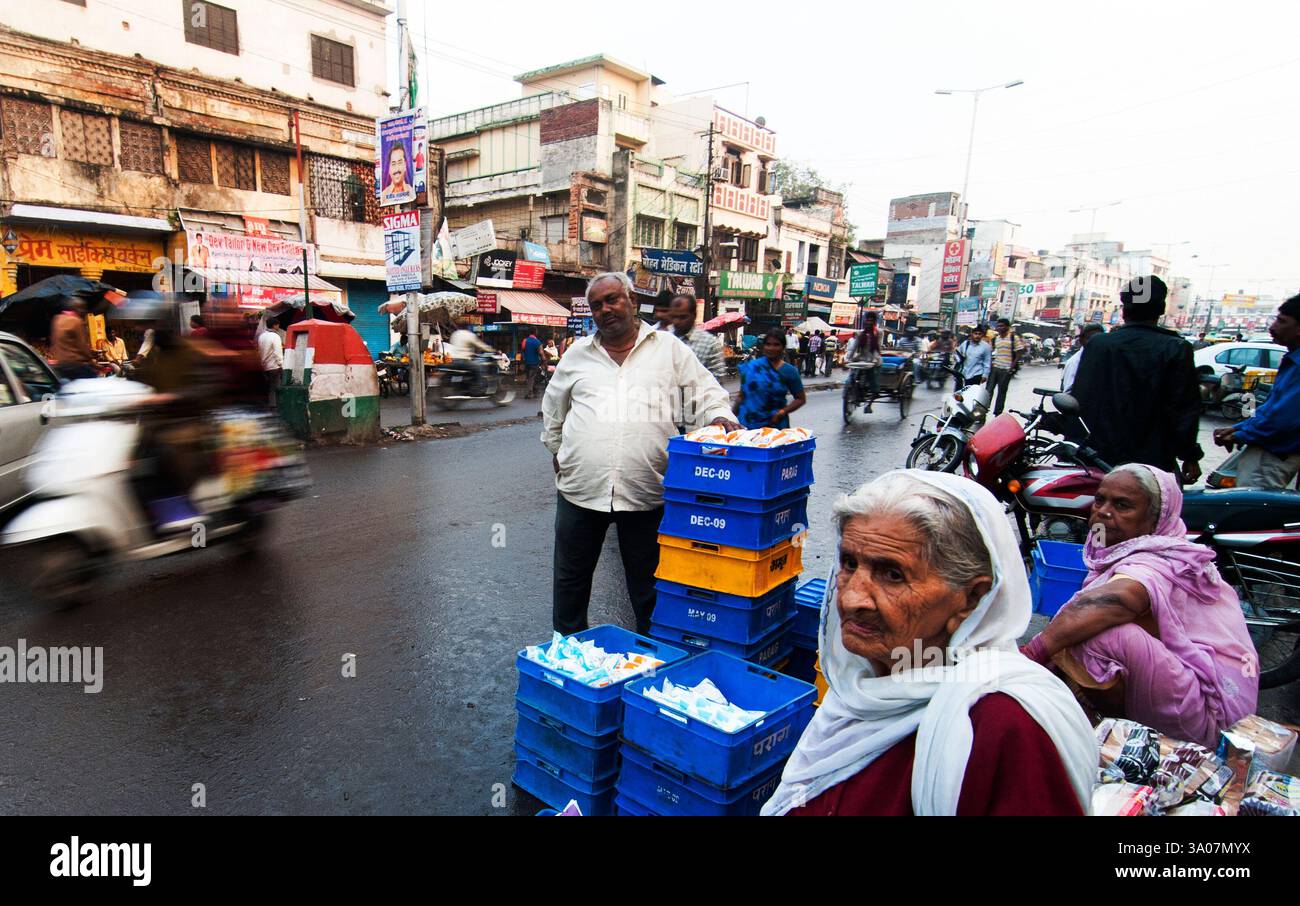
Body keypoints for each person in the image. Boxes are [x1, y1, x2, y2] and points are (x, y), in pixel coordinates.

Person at [763, 470, 1096, 816]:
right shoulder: (862, 687)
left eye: (893, 574)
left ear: (971, 598)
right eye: (849, 563)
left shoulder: (1002, 728)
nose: (851, 599)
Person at [541, 273, 741, 636]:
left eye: (613, 299)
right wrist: (557, 448)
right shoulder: (577, 355)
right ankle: (567, 655)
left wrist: (720, 417)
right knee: (570, 580)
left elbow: (704, 392)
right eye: (597, 304)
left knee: (648, 585)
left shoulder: (668, 348)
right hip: (581, 489)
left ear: (632, 300)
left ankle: (650, 656)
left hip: (647, 490)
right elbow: (554, 408)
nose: (606, 309)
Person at [1021, 465, 1257, 749]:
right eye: (1100, 500)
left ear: (1156, 518)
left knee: (1097, 634)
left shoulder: (1159, 562)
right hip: (1190, 690)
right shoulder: (1136, 547)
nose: (1103, 512)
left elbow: (1118, 599)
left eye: (1123, 505)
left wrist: (1032, 654)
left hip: (1212, 716)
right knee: (1077, 628)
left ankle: (1122, 736)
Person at [1071, 276, 1203, 481]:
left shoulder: (1099, 345)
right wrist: (1190, 456)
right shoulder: (1176, 348)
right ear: (1161, 309)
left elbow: (1080, 400)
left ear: (1124, 310)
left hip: (1099, 459)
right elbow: (1183, 410)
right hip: (1151, 465)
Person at [1212, 295, 1300, 489]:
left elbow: (1283, 419)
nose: (1273, 326)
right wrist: (1239, 428)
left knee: (1254, 512)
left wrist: (1241, 434)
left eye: (1282, 321)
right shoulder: (1292, 361)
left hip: (1274, 454)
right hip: (1270, 449)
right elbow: (1271, 409)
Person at [735, 327, 806, 429]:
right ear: (763, 346)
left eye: (776, 345)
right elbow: (741, 396)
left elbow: (800, 399)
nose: (771, 348)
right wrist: (731, 418)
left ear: (783, 347)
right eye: (768, 344)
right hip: (747, 424)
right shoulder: (752, 367)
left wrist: (782, 412)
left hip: (775, 425)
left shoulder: (789, 371)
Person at [667, 294, 725, 380]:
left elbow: (716, 382)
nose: (677, 321)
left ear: (694, 315)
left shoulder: (710, 344)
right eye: (674, 317)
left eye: (683, 317)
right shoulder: (664, 338)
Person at [49, 296, 98, 381]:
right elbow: (82, 346)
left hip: (61, 365)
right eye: (81, 308)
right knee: (95, 380)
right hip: (75, 365)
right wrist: (92, 361)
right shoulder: (76, 321)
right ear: (74, 308)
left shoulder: (57, 319)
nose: (84, 311)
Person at [844, 312, 883, 411]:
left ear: (874, 322)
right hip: (861, 359)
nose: (869, 323)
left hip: (874, 360)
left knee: (872, 381)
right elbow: (853, 348)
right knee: (852, 376)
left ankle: (869, 404)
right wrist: (848, 359)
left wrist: (873, 360)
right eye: (867, 320)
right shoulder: (860, 333)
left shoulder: (879, 333)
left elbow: (877, 348)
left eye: (871, 321)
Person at [987, 317, 1025, 416]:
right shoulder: (996, 338)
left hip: (1006, 369)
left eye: (1001, 326)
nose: (999, 328)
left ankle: (998, 413)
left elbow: (1019, 353)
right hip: (995, 368)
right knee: (988, 391)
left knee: (1001, 392)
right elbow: (991, 352)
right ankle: (984, 410)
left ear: (1007, 327)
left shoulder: (1013, 338)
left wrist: (1012, 367)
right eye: (998, 326)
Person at [447, 320, 493, 393]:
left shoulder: (454, 334)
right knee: (479, 368)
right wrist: (491, 349)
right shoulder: (469, 335)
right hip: (463, 361)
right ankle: (478, 387)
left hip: (453, 360)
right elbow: (479, 345)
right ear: (467, 327)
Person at [1060, 322, 1104, 392]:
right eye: (1090, 338)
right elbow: (1069, 393)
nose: (1095, 341)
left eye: (1099, 338)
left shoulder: (1103, 359)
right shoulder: (1075, 362)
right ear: (1082, 340)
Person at [255, 315, 285, 405]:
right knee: (276, 388)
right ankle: (275, 405)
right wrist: (281, 365)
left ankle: (272, 404)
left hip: (265, 366)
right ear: (275, 325)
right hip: (274, 366)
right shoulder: (275, 337)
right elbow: (278, 353)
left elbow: (260, 351)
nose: (278, 327)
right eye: (278, 325)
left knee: (271, 388)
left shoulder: (262, 336)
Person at [522, 330, 543, 399]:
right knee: (532, 377)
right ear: (536, 333)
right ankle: (530, 393)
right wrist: (544, 360)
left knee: (529, 377)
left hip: (527, 362)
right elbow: (541, 352)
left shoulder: (525, 340)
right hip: (535, 362)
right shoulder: (537, 342)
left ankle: (534, 391)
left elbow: (523, 349)